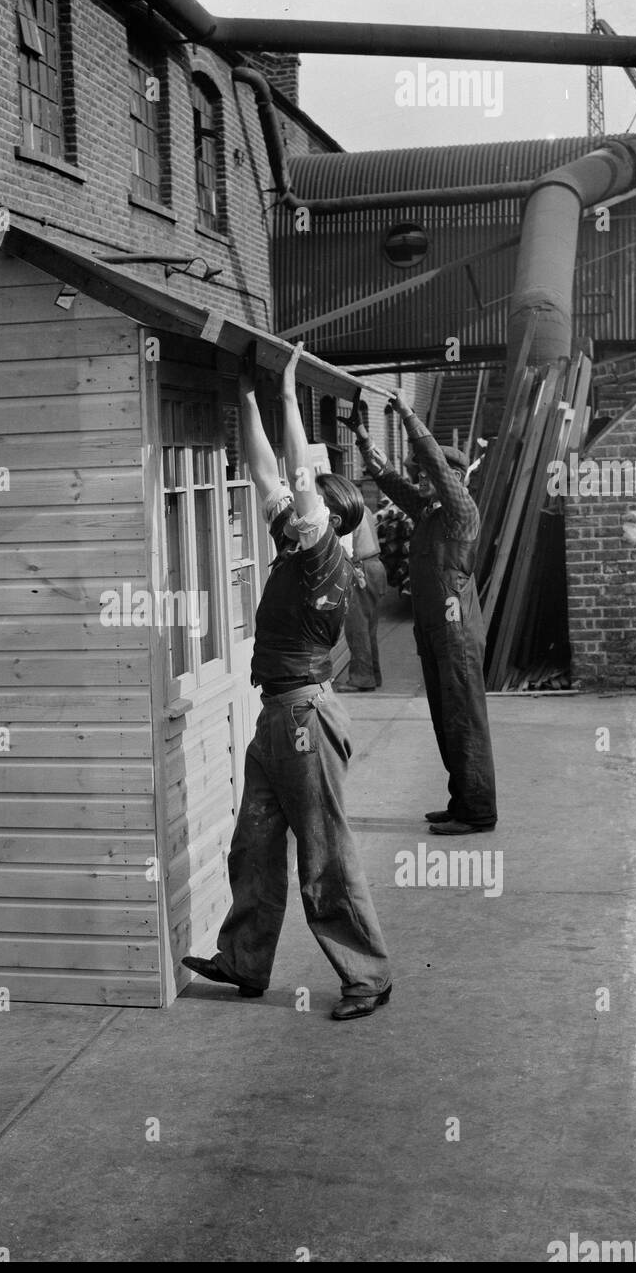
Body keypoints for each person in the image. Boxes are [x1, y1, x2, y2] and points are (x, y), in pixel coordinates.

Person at [183, 344, 392, 1021]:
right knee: (254, 844)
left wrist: (290, 391)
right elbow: (266, 469)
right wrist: (247, 395)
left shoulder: (322, 558)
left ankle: (367, 977)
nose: (288, 513)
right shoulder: (299, 548)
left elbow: (297, 471)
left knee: (323, 858)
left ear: (327, 520)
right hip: (279, 719)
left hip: (304, 720)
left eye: (301, 511)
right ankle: (243, 962)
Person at [354, 389, 497, 835]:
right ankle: (461, 800)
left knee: (463, 719)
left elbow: (434, 463)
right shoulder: (432, 511)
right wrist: (362, 438)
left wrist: (409, 418)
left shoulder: (461, 512)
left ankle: (477, 812)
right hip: (437, 633)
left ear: (453, 479)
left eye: (430, 475)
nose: (421, 480)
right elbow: (394, 483)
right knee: (445, 719)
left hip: (456, 633)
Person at [336, 503, 387, 692]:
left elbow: (346, 549)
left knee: (356, 627)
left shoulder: (348, 510)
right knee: (369, 626)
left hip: (362, 568)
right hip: (375, 566)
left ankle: (362, 679)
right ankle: (373, 675)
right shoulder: (364, 508)